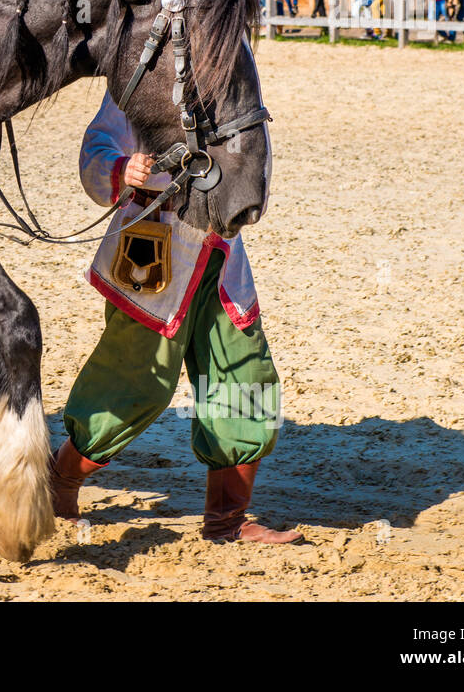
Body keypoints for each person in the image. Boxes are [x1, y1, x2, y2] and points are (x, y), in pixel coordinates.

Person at [49, 94, 302, 545]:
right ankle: (58, 484)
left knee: (246, 373)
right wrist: (119, 169)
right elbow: (98, 144)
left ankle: (226, 521)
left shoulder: (226, 76)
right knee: (134, 381)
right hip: (153, 253)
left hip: (219, 253)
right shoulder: (139, 75)